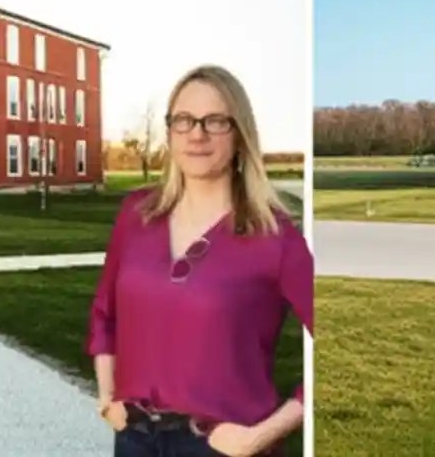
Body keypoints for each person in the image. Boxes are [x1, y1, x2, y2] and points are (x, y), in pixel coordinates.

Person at [87, 64, 313, 457]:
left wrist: (260, 436)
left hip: (222, 446)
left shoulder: (275, 237)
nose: (197, 133)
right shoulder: (137, 214)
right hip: (135, 438)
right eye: (184, 120)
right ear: (170, 131)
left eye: (215, 121)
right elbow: (105, 313)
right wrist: (108, 397)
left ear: (240, 134)